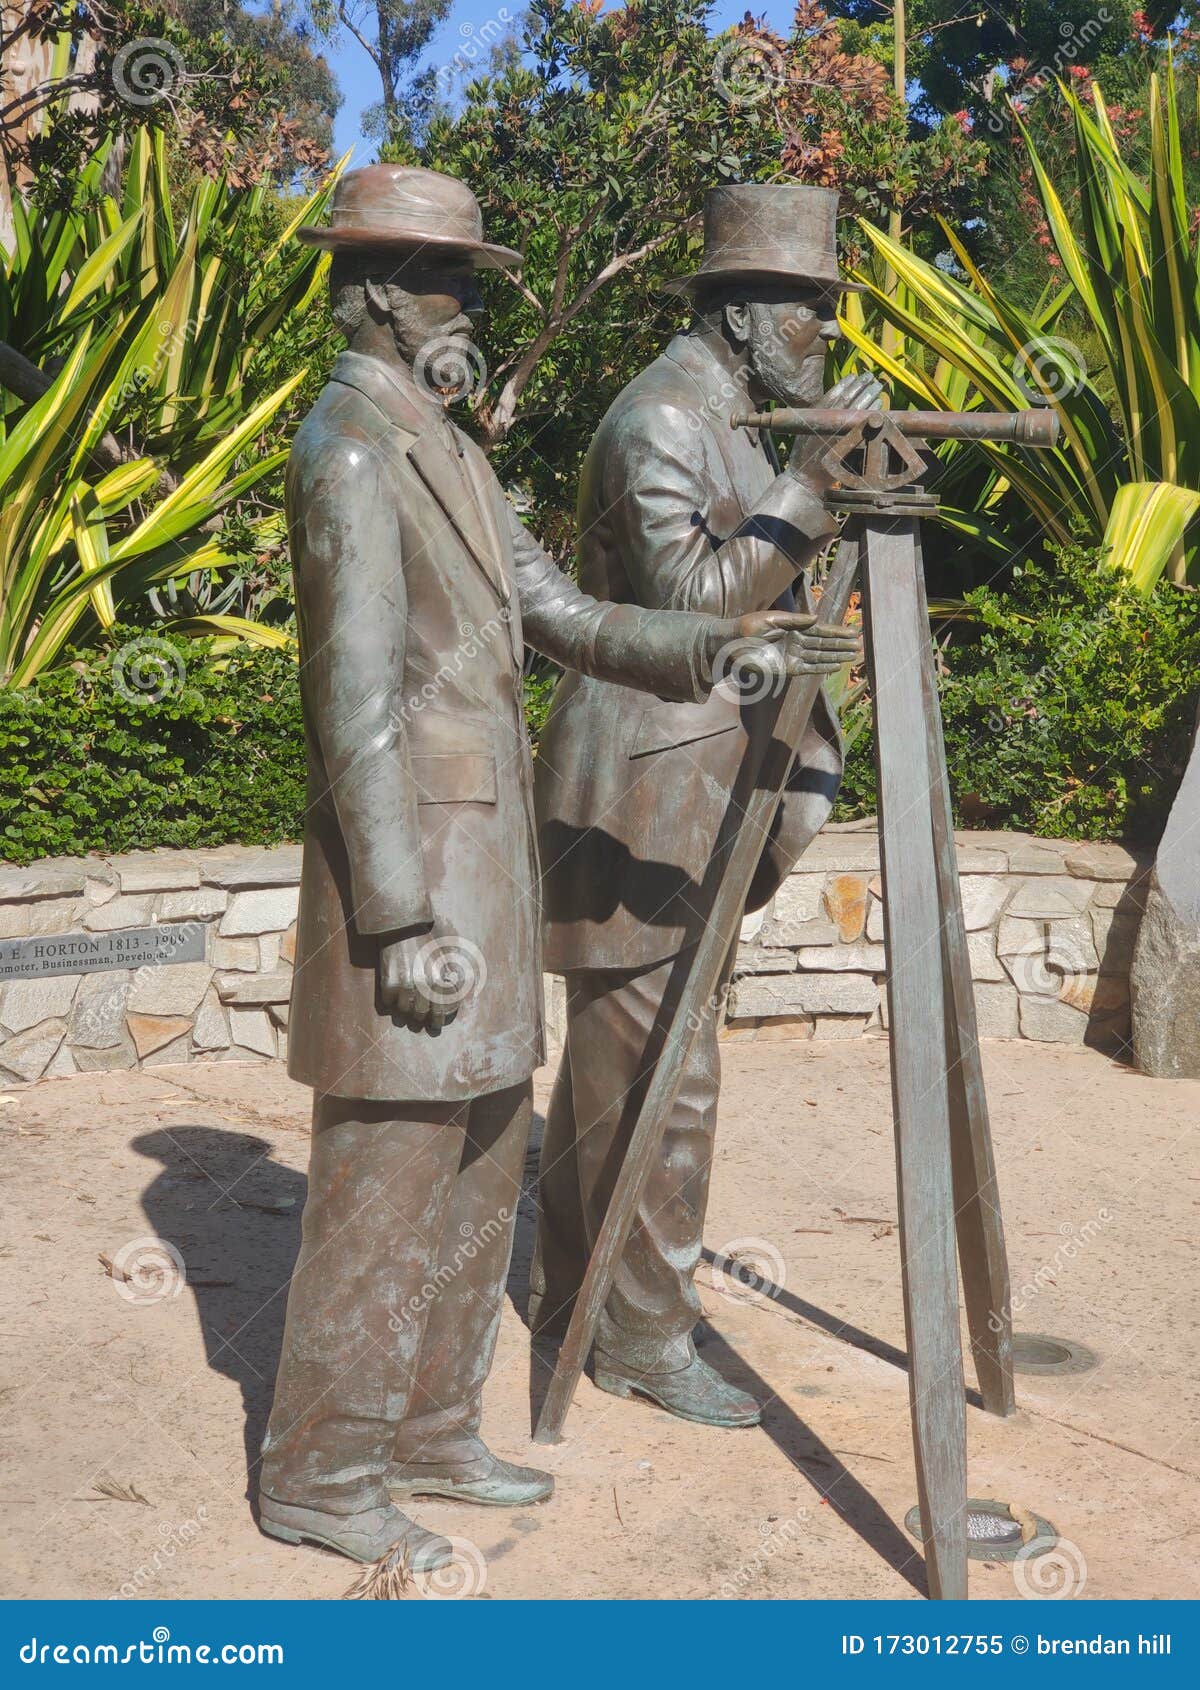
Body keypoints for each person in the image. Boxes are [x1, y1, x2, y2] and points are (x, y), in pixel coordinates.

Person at [257, 165, 858, 1570]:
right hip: (418, 885)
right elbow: (351, 705)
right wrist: (398, 913)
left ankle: (430, 1429)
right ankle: (321, 1466)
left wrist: (718, 648)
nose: (470, 305)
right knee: (387, 1180)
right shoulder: (348, 446)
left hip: (489, 865)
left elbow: (569, 612)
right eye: (453, 283)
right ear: (386, 299)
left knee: (475, 1172)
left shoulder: (449, 447)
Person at [532, 184, 878, 1428]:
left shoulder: (732, 410)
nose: (825, 339)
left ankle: (579, 1297)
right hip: (640, 791)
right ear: (743, 316)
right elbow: (689, 600)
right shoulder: (660, 419)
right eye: (809, 313)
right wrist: (805, 480)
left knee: (631, 1071)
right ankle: (641, 1335)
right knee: (664, 1083)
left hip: (699, 791)